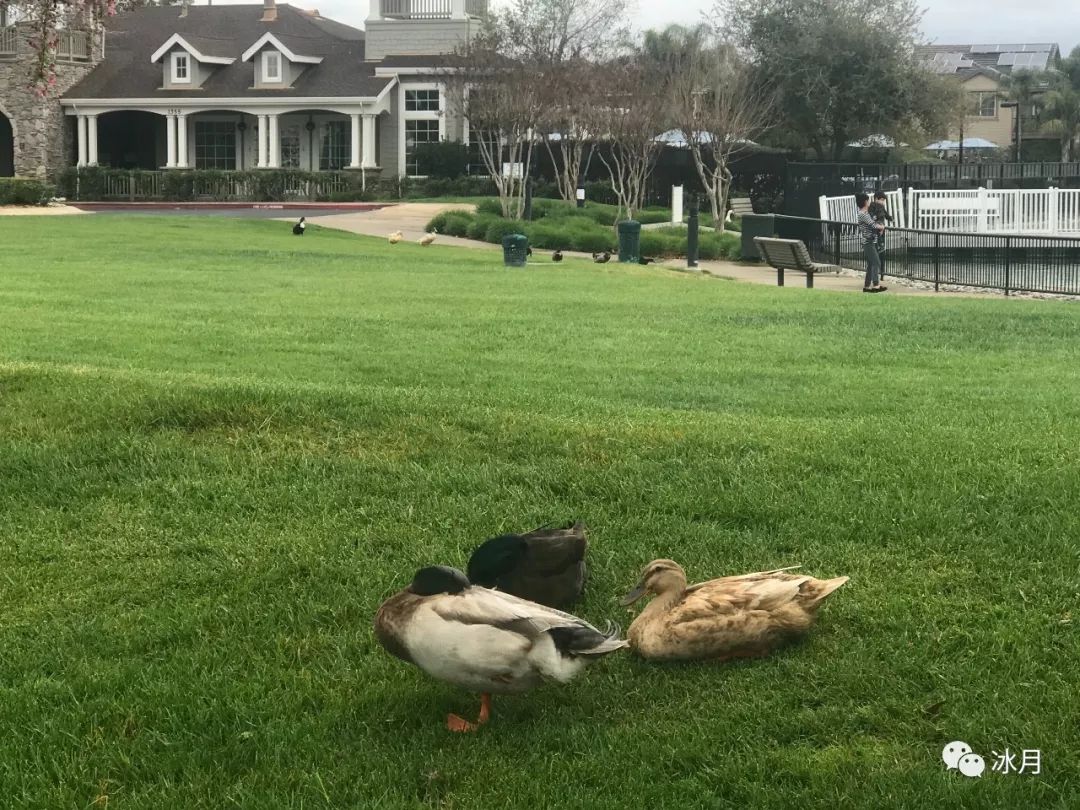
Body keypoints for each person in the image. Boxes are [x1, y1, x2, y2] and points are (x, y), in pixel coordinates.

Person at [857, 193, 887, 293]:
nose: (869, 202)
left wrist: (880, 225)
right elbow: (872, 224)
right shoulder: (862, 214)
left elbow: (874, 221)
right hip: (868, 243)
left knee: (870, 264)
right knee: (876, 262)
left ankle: (866, 286)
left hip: (872, 242)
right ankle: (876, 285)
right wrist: (881, 227)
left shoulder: (866, 213)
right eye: (868, 200)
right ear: (865, 202)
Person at [868, 191, 892, 276]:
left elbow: (885, 214)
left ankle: (881, 272)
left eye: (883, 200)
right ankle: (875, 274)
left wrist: (890, 218)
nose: (882, 202)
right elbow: (871, 216)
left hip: (881, 226)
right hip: (876, 227)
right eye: (881, 200)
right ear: (876, 199)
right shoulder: (872, 206)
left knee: (881, 249)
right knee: (875, 250)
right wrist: (879, 224)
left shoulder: (882, 207)